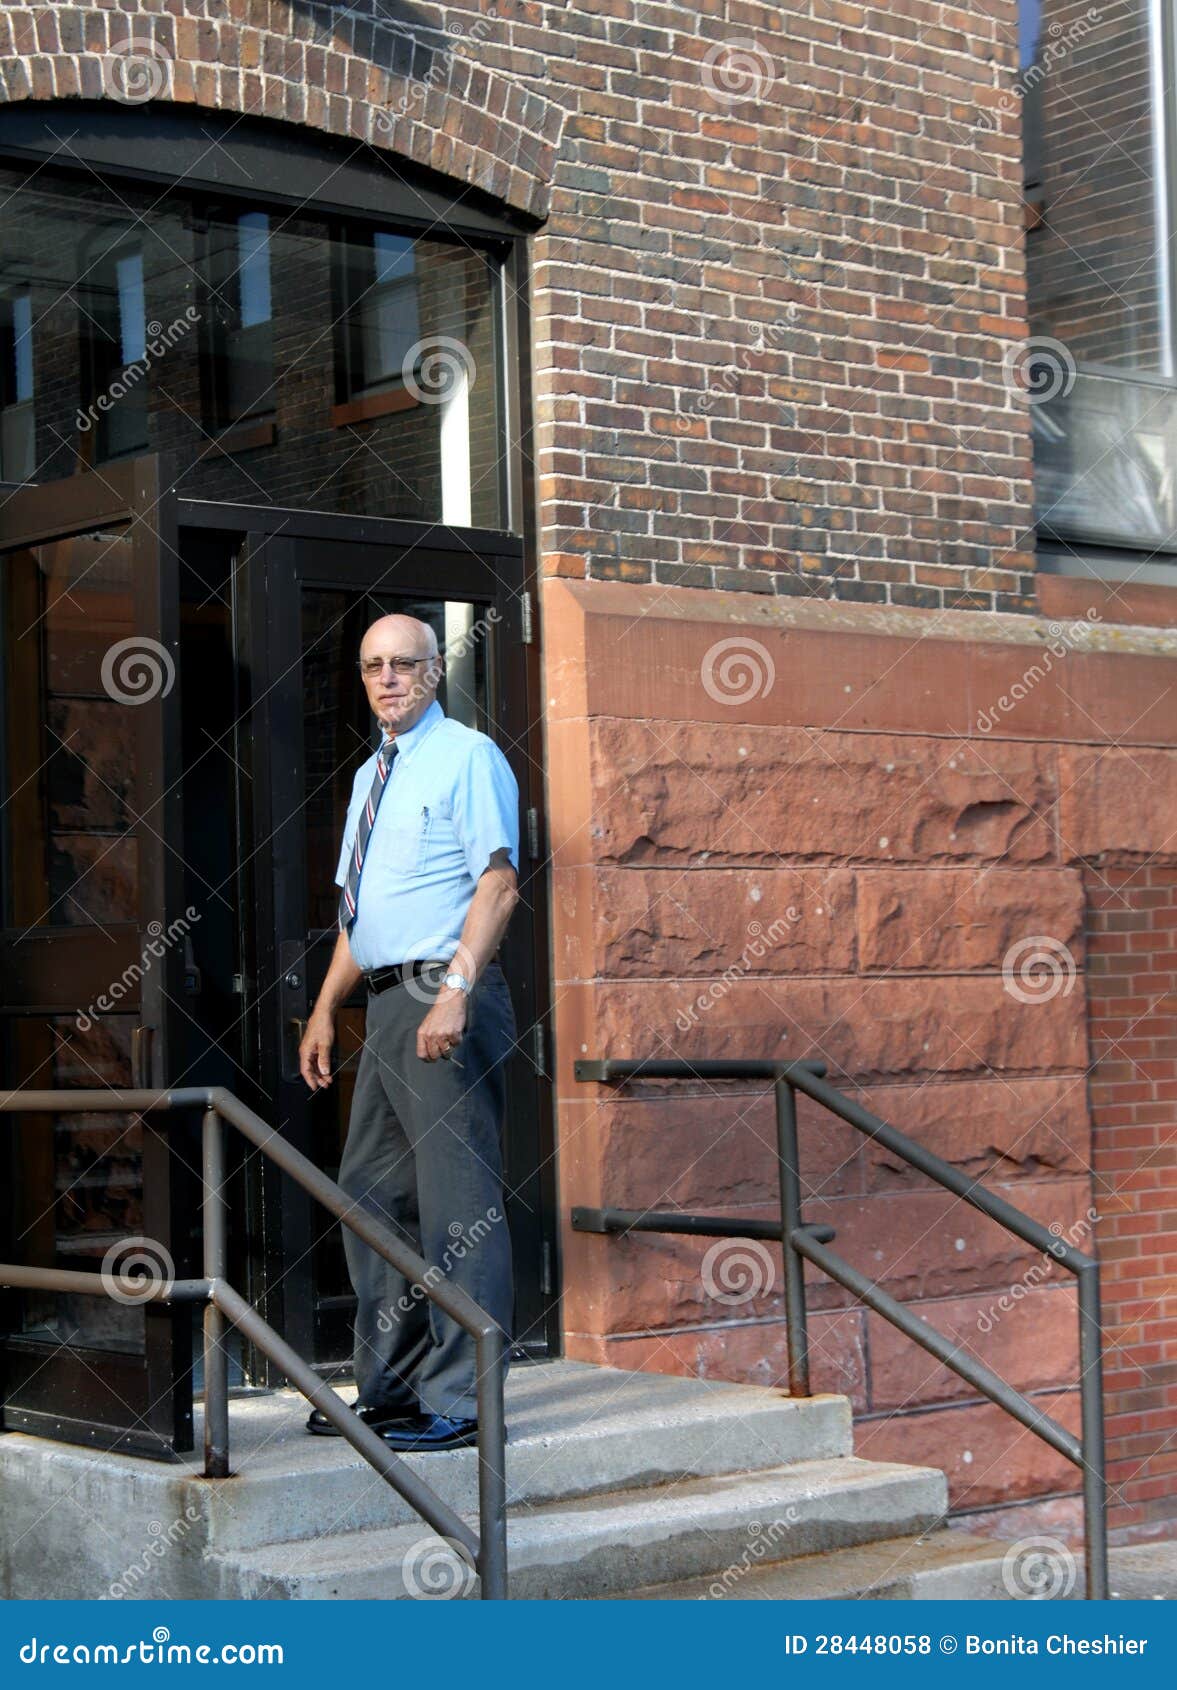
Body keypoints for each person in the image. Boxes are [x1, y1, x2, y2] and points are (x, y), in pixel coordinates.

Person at [298, 613, 520, 1451]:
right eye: (373, 666)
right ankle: (391, 1391)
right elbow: (359, 916)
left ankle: (465, 1403)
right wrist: (326, 1008)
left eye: (403, 664)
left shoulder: (467, 756)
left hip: (440, 989)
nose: (388, 678)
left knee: (457, 1204)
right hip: (387, 999)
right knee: (372, 1196)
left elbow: (497, 884)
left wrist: (455, 991)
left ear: (433, 670)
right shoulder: (371, 774)